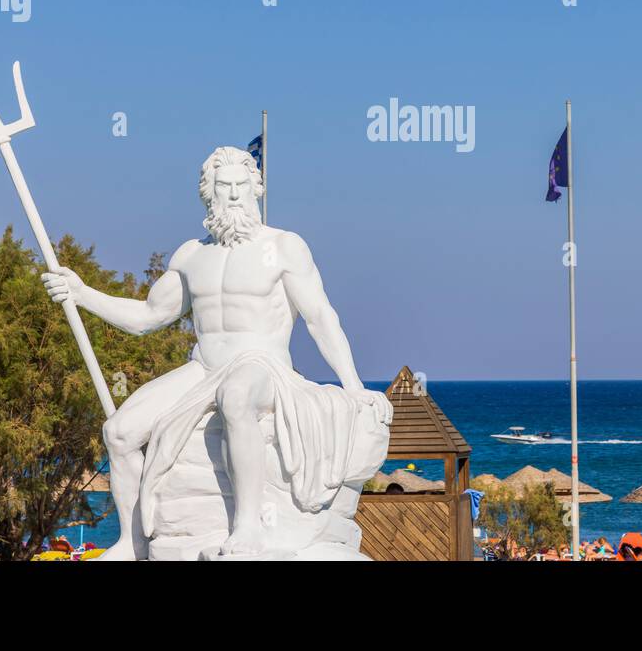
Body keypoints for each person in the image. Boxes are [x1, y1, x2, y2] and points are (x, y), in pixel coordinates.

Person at [41, 146, 391, 559]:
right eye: (224, 186)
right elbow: (148, 317)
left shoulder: (284, 247)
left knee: (236, 396)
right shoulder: (191, 255)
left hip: (262, 364)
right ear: (208, 193)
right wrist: (83, 294)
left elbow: (320, 317)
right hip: (203, 366)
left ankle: (247, 529)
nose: (235, 195)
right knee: (119, 432)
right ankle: (133, 541)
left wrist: (352, 386)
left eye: (242, 185)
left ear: (256, 189)